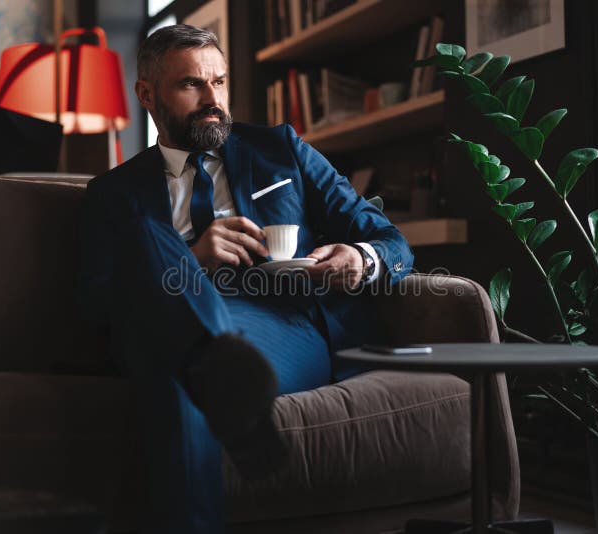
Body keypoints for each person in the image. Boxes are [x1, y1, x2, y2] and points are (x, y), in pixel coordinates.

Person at [79, 24, 413, 534]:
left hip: (278, 322)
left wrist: (361, 258)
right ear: (147, 94)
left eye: (219, 82)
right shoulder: (112, 192)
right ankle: (215, 367)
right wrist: (192, 260)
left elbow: (389, 238)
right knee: (147, 238)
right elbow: (97, 305)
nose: (212, 100)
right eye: (191, 84)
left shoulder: (281, 150)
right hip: (167, 317)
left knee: (173, 371)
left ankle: (208, 361)